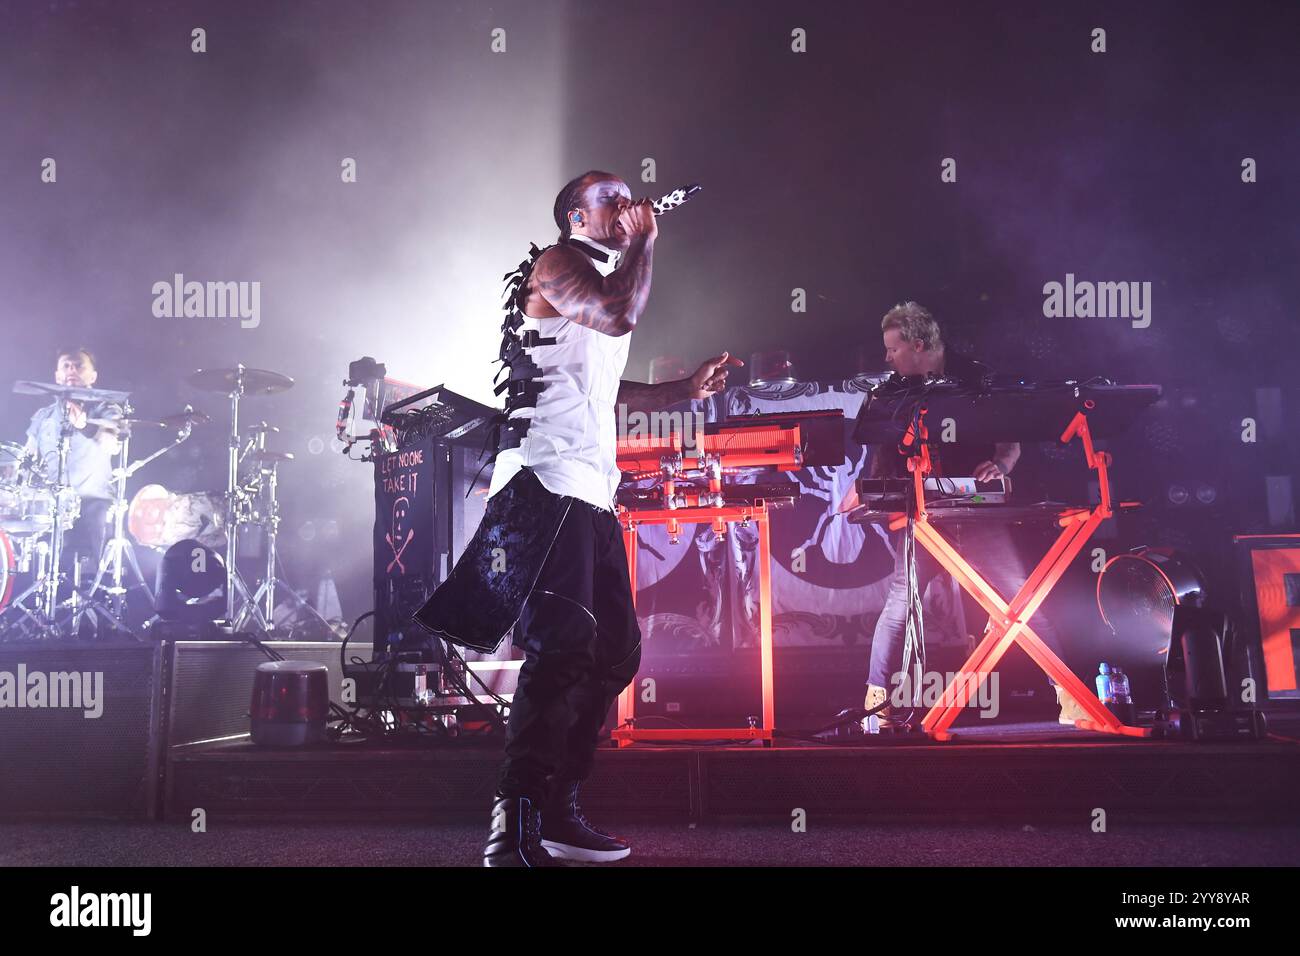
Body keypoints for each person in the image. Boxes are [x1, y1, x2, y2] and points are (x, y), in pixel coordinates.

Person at [418, 170, 741, 866]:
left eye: (629, 197)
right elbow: (621, 317)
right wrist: (645, 244)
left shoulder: (594, 277)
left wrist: (679, 390)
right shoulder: (558, 263)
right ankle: (515, 825)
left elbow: (597, 373)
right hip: (545, 479)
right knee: (562, 650)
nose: (625, 205)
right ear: (574, 215)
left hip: (590, 487)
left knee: (615, 652)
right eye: (610, 198)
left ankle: (559, 812)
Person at [841, 303, 1087, 729]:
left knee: (1020, 601)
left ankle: (1072, 699)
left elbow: (1011, 440)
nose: (887, 358)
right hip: (920, 515)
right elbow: (878, 455)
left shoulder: (976, 379)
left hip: (975, 511)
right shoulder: (892, 392)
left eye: (892, 349)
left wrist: (1002, 467)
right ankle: (876, 706)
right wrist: (862, 494)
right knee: (900, 605)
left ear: (919, 346)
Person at [23, 347, 122, 575]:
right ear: (57, 375)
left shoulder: (107, 408)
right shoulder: (43, 416)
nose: (72, 370)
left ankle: (98, 589)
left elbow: (114, 444)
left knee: (93, 559)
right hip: (52, 506)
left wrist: (84, 426)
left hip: (93, 502)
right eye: (66, 366)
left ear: (93, 376)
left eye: (79, 365)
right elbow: (26, 460)